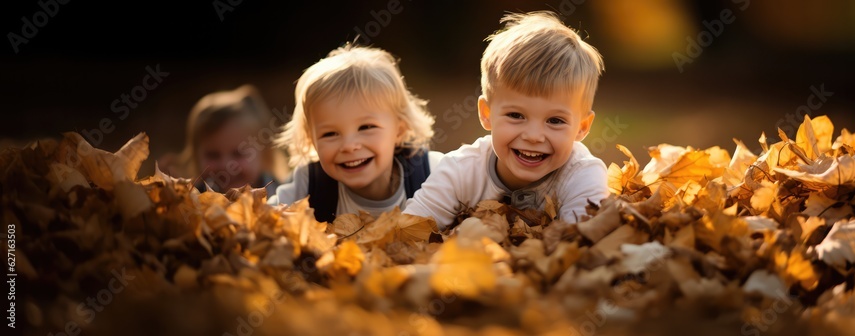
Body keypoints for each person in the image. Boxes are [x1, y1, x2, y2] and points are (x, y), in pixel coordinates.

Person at [403, 11, 609, 230]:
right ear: (486, 113)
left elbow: (581, 241)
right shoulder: (460, 171)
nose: (533, 136)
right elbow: (407, 232)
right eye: (516, 116)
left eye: (555, 120)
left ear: (582, 127)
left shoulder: (582, 175)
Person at [269, 44, 441, 222]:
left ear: (399, 130)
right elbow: (263, 220)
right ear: (311, 139)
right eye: (330, 134)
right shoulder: (310, 186)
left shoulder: (432, 174)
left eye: (366, 127)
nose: (349, 146)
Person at [165, 84, 281, 196]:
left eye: (238, 153)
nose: (225, 165)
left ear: (265, 154)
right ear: (196, 156)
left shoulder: (284, 197)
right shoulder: (190, 201)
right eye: (213, 155)